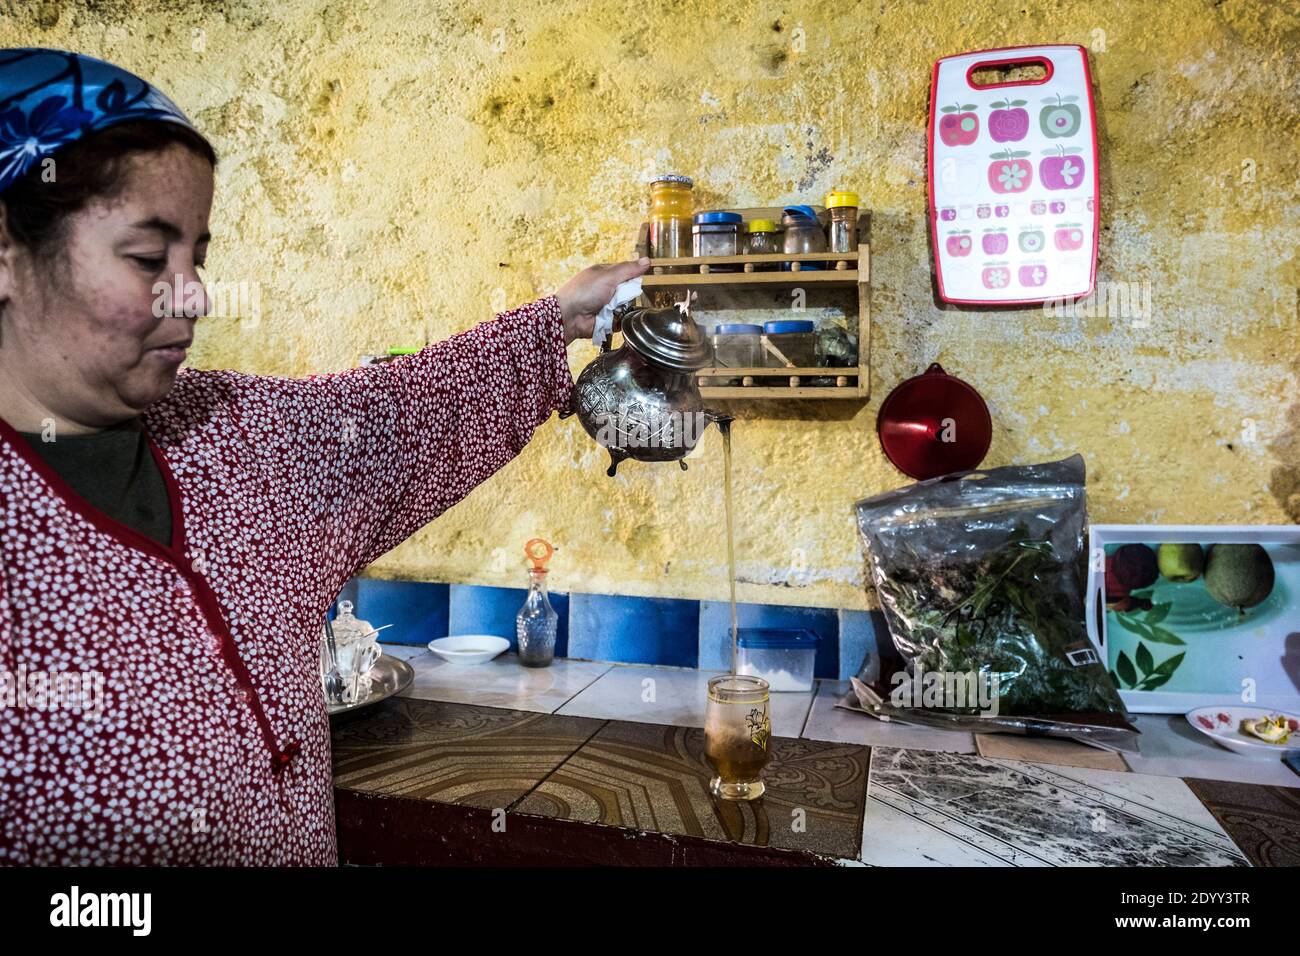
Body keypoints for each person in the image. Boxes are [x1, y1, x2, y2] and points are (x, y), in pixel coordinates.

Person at [0, 48, 647, 865]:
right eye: (146, 257)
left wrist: (560, 320)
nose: (192, 294)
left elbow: (403, 416)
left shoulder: (232, 439)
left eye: (196, 256)